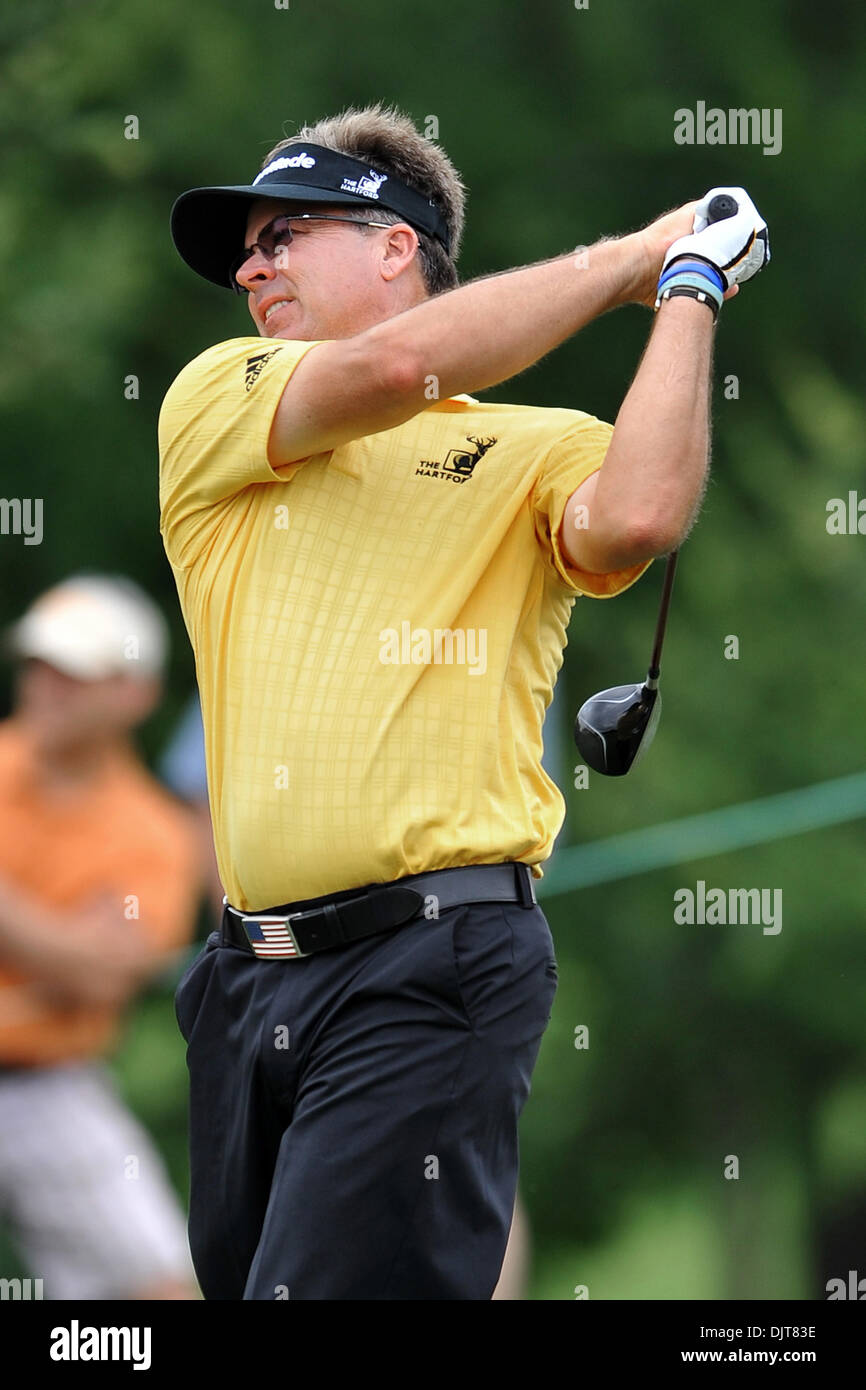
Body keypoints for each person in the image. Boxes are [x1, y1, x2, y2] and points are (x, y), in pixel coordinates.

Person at [160, 104, 769, 1300]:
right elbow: (396, 368)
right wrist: (627, 259)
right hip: (244, 984)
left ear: (394, 244)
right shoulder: (222, 394)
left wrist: (688, 286)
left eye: (282, 235)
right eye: (247, 251)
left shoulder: (534, 447)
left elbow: (638, 515)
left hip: (430, 959)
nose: (248, 267)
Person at [0, 575, 201, 1300]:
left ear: (133, 693)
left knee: (160, 1293)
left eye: (74, 672)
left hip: (46, 1086)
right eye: (38, 665)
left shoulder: (152, 833)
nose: (46, 686)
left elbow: (104, 978)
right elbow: (81, 960)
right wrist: (59, 939)